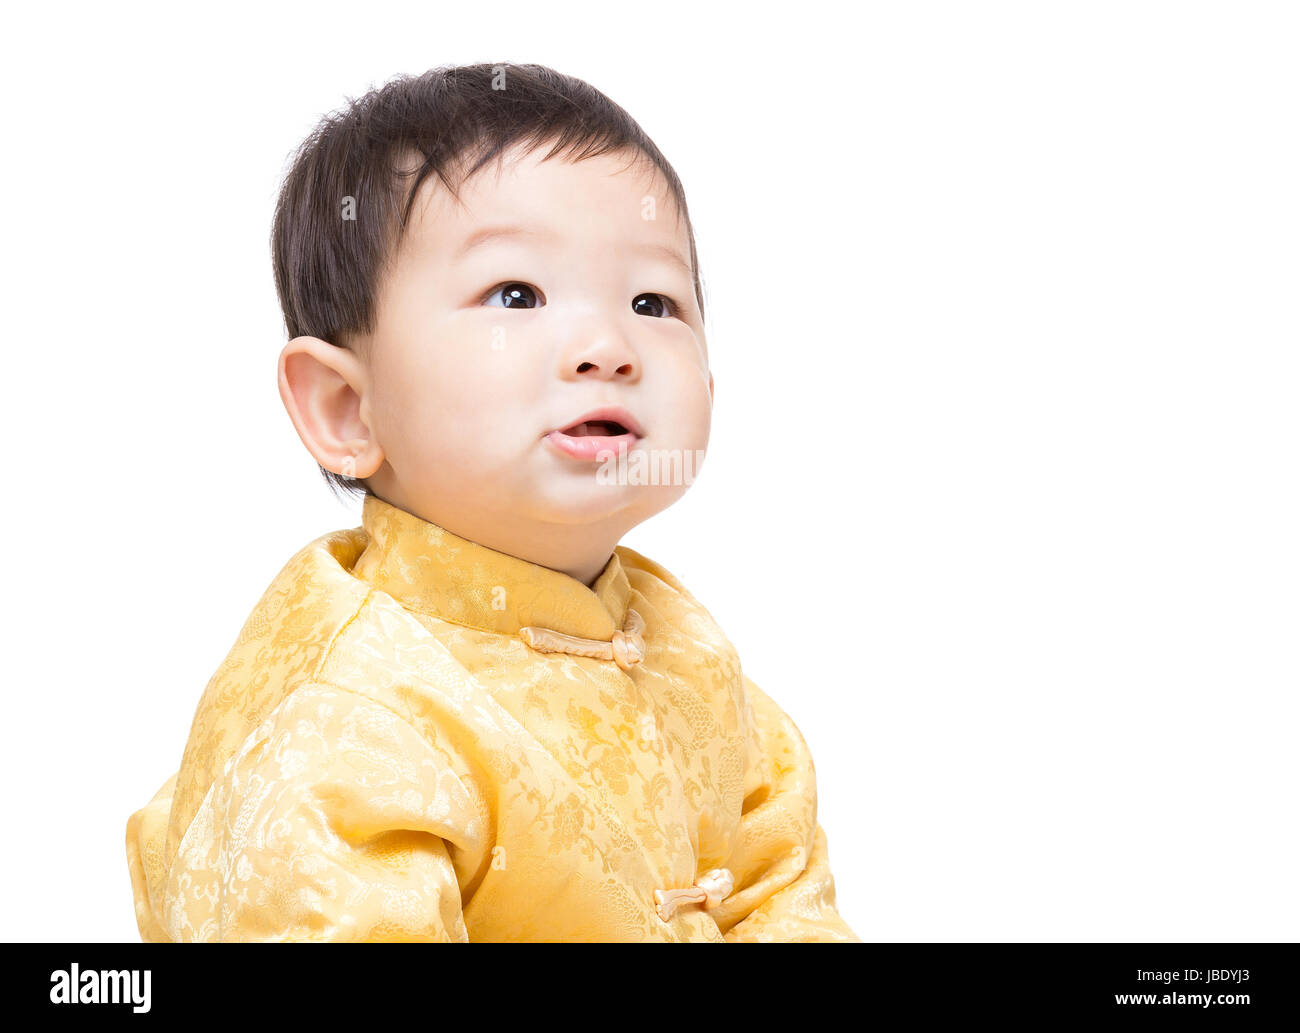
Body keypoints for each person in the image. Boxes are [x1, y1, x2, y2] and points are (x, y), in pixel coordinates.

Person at [125, 62, 859, 942]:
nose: (607, 346)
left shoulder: (687, 652)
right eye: (517, 295)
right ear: (346, 408)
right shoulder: (350, 719)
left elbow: (779, 887)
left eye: (653, 300)